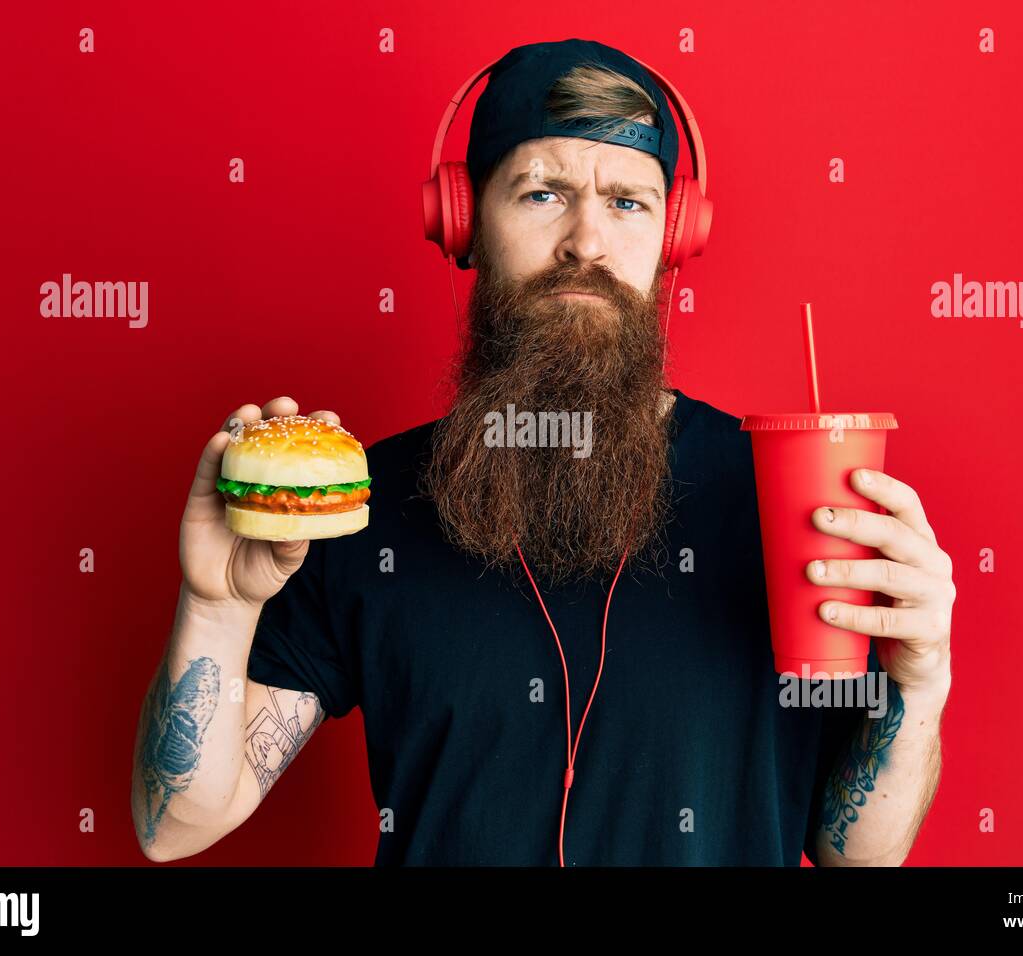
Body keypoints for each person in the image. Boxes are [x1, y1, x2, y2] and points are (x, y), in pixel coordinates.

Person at [130, 38, 955, 866]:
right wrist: (218, 607)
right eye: (541, 193)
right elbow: (175, 825)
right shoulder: (363, 509)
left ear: (675, 238)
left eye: (628, 202)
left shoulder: (782, 503)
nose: (586, 242)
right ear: (462, 224)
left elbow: (861, 854)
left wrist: (919, 685)